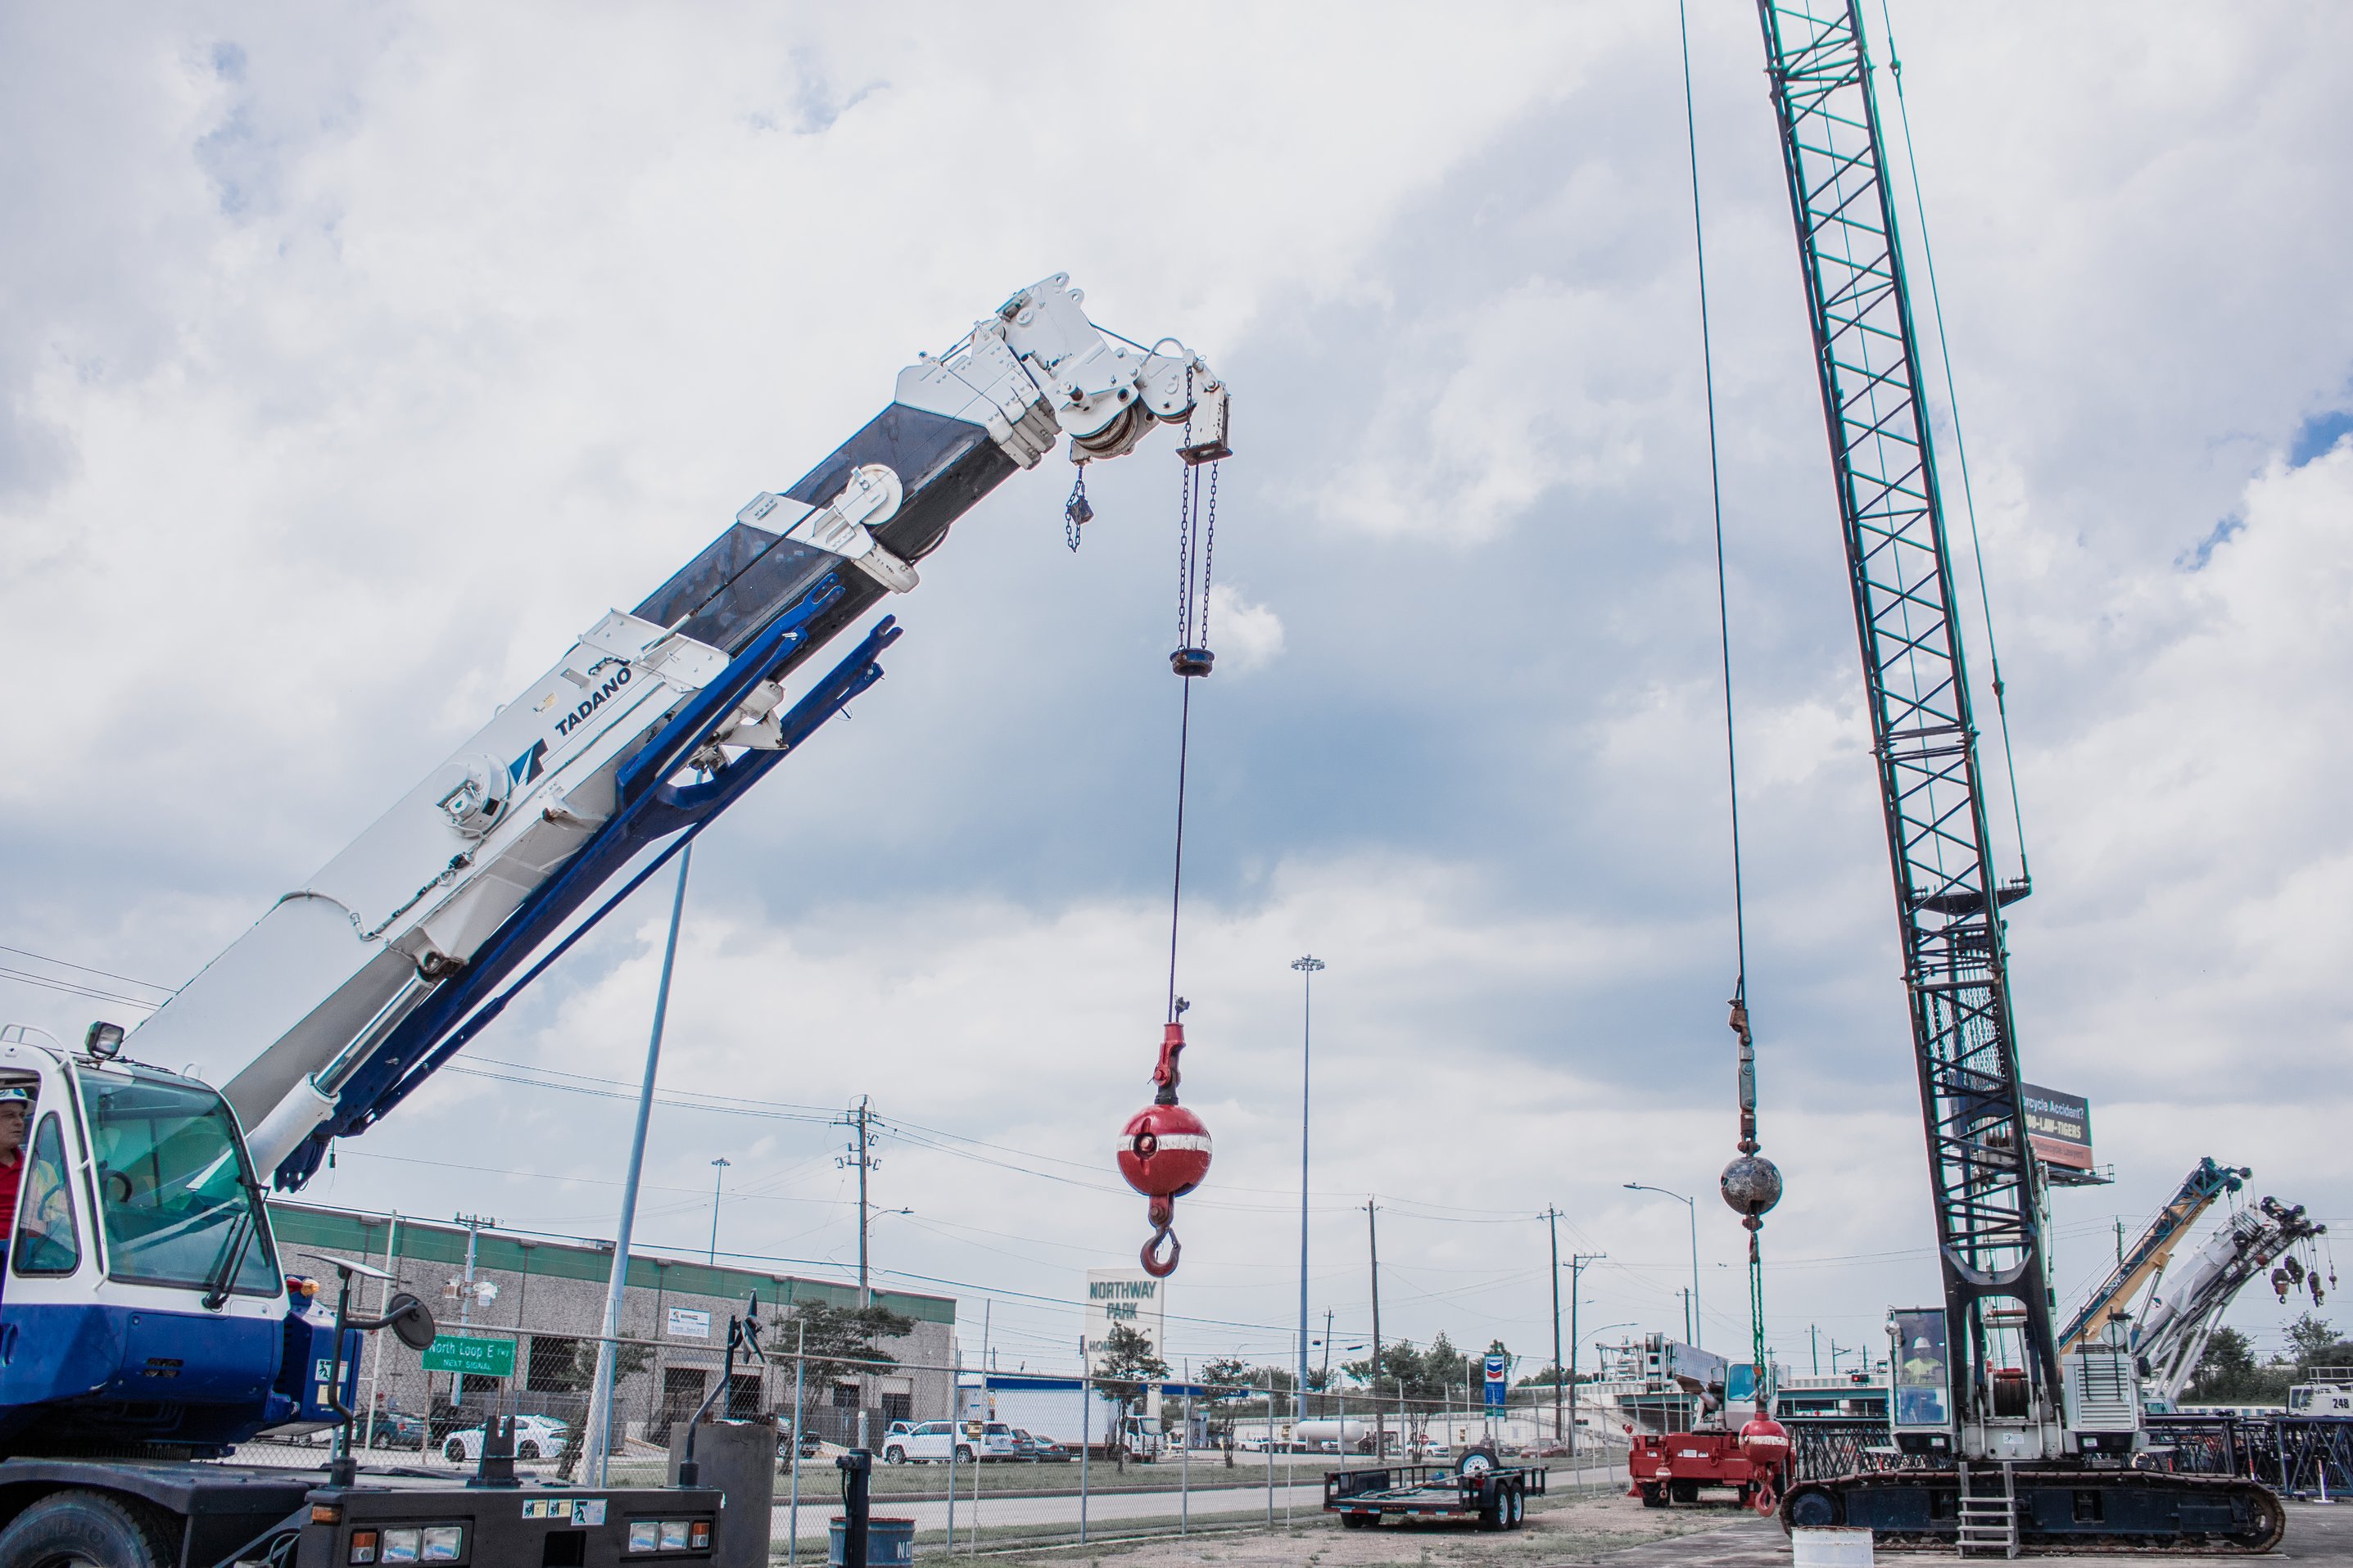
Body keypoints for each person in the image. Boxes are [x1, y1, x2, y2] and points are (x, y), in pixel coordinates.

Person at [0, 1086, 30, 1251]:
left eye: (22, 1115)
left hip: (34, 1260)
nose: (19, 1122)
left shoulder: (39, 1166)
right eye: (9, 1115)